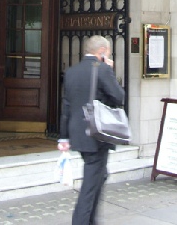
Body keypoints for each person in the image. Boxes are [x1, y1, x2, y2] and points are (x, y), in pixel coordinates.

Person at [58, 35, 125, 225]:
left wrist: (63, 137)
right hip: (97, 136)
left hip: (79, 136)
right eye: (108, 53)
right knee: (90, 185)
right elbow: (119, 97)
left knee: (99, 175)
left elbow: (66, 106)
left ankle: (92, 221)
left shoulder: (71, 71)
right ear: (102, 52)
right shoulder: (103, 69)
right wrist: (110, 70)